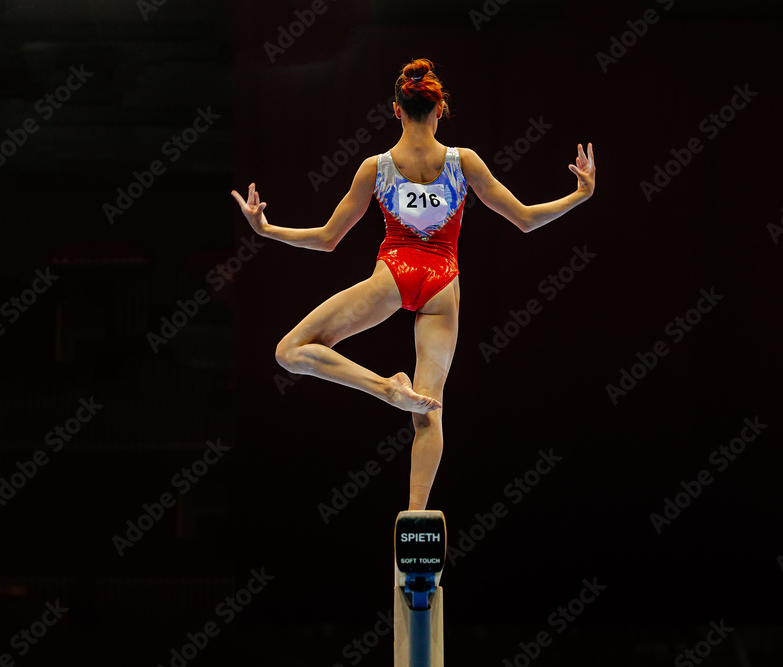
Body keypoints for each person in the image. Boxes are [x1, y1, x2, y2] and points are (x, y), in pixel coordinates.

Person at [231, 58, 595, 510]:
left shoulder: (375, 168)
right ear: (439, 109)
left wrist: (268, 230)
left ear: (396, 110)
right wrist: (580, 195)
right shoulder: (464, 163)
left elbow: (327, 240)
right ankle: (416, 515)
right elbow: (524, 219)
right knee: (430, 408)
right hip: (443, 282)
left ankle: (385, 388)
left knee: (289, 352)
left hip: (394, 274)